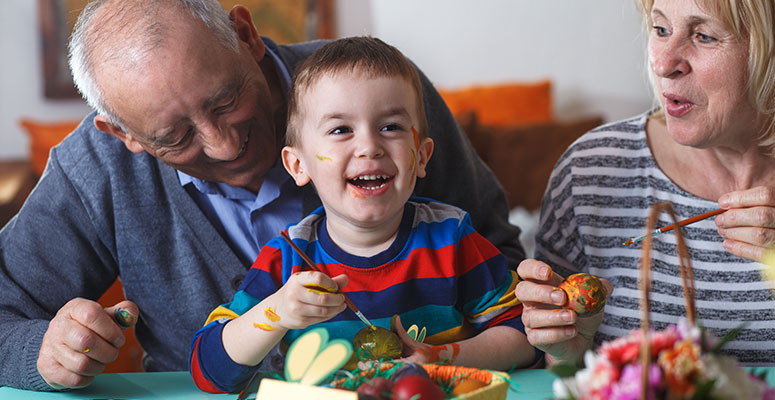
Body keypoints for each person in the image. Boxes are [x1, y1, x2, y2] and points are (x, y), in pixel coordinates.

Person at [0, 0, 524, 392]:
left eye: (226, 99)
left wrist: (453, 355)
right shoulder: (93, 169)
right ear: (124, 136)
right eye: (176, 137)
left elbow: (501, 270)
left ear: (245, 35)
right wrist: (45, 352)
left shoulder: (379, 90)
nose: (224, 145)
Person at [188, 36, 536, 393]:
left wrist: (444, 357)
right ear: (298, 165)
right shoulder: (288, 259)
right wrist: (276, 312)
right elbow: (208, 369)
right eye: (341, 130)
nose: (370, 146)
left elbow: (526, 334)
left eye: (391, 127)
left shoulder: (452, 238)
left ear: (422, 156)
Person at [516, 0, 775, 367]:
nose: (664, 64)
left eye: (704, 36)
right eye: (661, 29)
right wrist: (569, 352)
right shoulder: (591, 170)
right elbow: (560, 370)